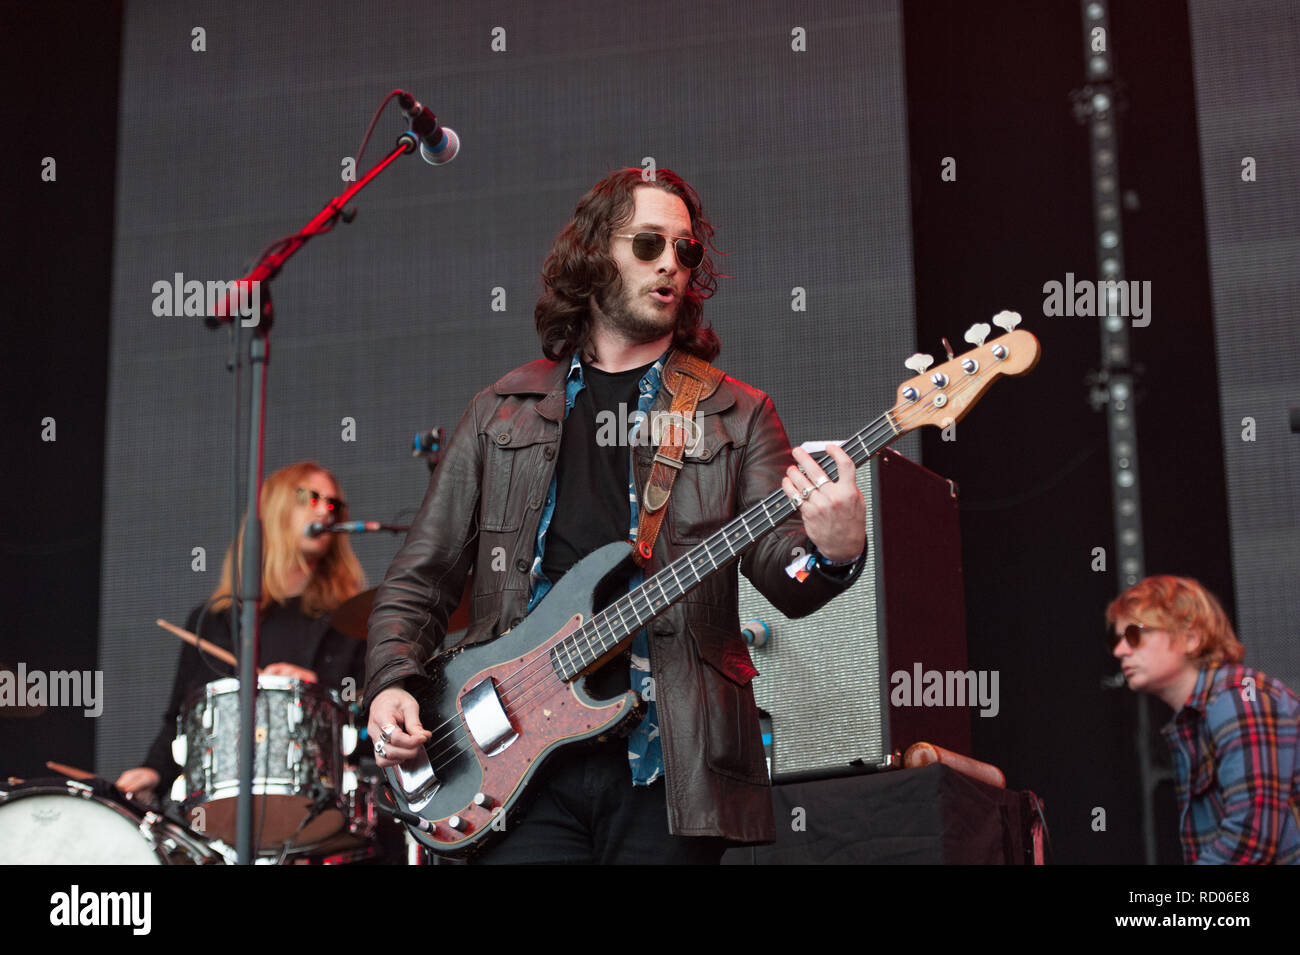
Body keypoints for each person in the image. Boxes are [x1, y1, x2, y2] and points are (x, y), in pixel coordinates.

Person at [364, 168, 867, 863]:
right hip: (516, 771)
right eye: (649, 243)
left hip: (665, 765)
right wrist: (391, 679)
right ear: (595, 255)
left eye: (687, 251)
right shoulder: (502, 411)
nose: (671, 262)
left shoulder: (736, 414)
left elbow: (783, 570)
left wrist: (833, 551)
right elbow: (422, 576)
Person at [116, 461, 366, 801]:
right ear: (275, 508)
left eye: (333, 504)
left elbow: (373, 715)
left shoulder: (352, 619)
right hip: (225, 807)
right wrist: (154, 772)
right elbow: (182, 718)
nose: (325, 510)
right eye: (312, 498)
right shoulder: (215, 621)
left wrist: (320, 693)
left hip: (322, 801)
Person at [1107, 574, 1300, 864]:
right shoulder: (1199, 717)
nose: (1119, 650)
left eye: (1134, 634)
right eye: (1117, 639)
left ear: (1190, 638)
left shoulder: (1237, 700)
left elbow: (1251, 840)